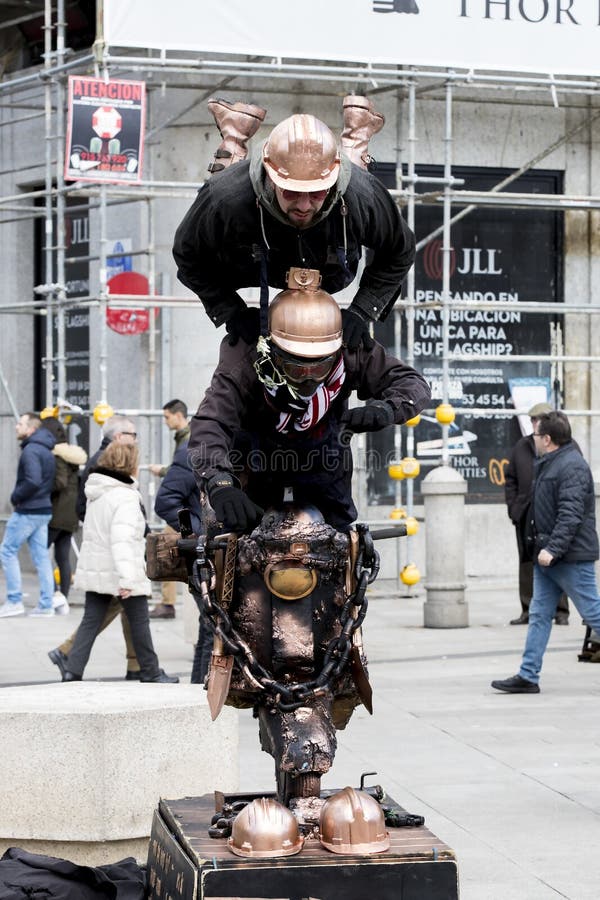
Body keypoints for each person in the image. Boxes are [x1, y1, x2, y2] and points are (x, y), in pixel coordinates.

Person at [187, 274, 431, 534]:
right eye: (296, 367)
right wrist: (219, 482)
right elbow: (212, 420)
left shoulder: (351, 348)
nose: (309, 377)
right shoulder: (246, 353)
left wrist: (385, 409)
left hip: (325, 474)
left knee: (344, 554)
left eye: (320, 366)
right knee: (224, 547)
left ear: (335, 348)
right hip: (252, 475)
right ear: (272, 350)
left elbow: (412, 384)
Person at [173, 108, 414, 352]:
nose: (303, 206)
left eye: (317, 193)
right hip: (249, 264)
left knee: (354, 175)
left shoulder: (362, 195)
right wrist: (230, 311)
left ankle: (357, 134)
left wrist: (362, 311)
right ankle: (234, 135)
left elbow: (400, 250)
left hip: (331, 269)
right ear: (270, 177)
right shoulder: (225, 197)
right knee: (225, 177)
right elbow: (188, 255)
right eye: (291, 192)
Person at [492, 411, 600, 694]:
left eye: (536, 434)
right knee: (539, 614)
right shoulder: (550, 462)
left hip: (569, 557)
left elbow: (571, 514)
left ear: (548, 439)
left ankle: (528, 674)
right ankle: (528, 675)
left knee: (594, 614)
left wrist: (553, 548)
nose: (533, 438)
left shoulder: (571, 466)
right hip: (547, 556)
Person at [61, 441, 178, 683]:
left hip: (99, 568)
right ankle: (150, 671)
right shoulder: (125, 497)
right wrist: (127, 578)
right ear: (129, 464)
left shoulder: (98, 492)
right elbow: (122, 540)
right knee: (139, 621)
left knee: (91, 620)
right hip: (122, 569)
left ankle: (72, 670)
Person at [49, 414, 142, 679]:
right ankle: (69, 654)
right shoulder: (107, 463)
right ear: (118, 437)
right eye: (132, 435)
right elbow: (94, 510)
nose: (135, 441)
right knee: (122, 608)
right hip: (112, 552)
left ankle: (136, 665)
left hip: (109, 551)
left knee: (121, 610)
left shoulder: (105, 461)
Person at [504, 402, 570, 626]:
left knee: (555, 560)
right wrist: (514, 508)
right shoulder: (522, 446)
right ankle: (528, 609)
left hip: (550, 514)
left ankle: (561, 611)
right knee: (526, 561)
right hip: (524, 512)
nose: (534, 423)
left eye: (538, 419)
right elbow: (510, 478)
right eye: (532, 419)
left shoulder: (564, 448)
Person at [154, 444, 211, 682]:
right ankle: (204, 699)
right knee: (215, 628)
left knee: (210, 627)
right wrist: (198, 534)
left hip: (227, 553)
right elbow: (166, 501)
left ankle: (198, 694)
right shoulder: (193, 452)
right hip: (206, 554)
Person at [0, 413, 56, 618]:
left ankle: (14, 600)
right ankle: (46, 604)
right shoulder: (45, 449)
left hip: (28, 510)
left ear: (31, 429)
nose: (16, 427)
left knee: (6, 551)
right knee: (41, 558)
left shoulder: (31, 450)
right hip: (43, 509)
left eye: (21, 424)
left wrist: (16, 497)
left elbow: (32, 480)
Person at [148, 399, 191, 619]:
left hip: (185, 511)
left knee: (166, 549)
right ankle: (168, 602)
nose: (165, 421)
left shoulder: (187, 440)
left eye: (166, 417)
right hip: (184, 510)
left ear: (178, 414)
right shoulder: (185, 438)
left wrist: (163, 470)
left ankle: (168, 603)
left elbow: (182, 473)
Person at [41, 417, 88, 615]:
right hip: (70, 514)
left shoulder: (57, 455)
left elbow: (59, 482)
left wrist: (42, 489)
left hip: (57, 512)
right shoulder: (71, 454)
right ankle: (64, 598)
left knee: (41, 552)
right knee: (63, 557)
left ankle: (52, 593)